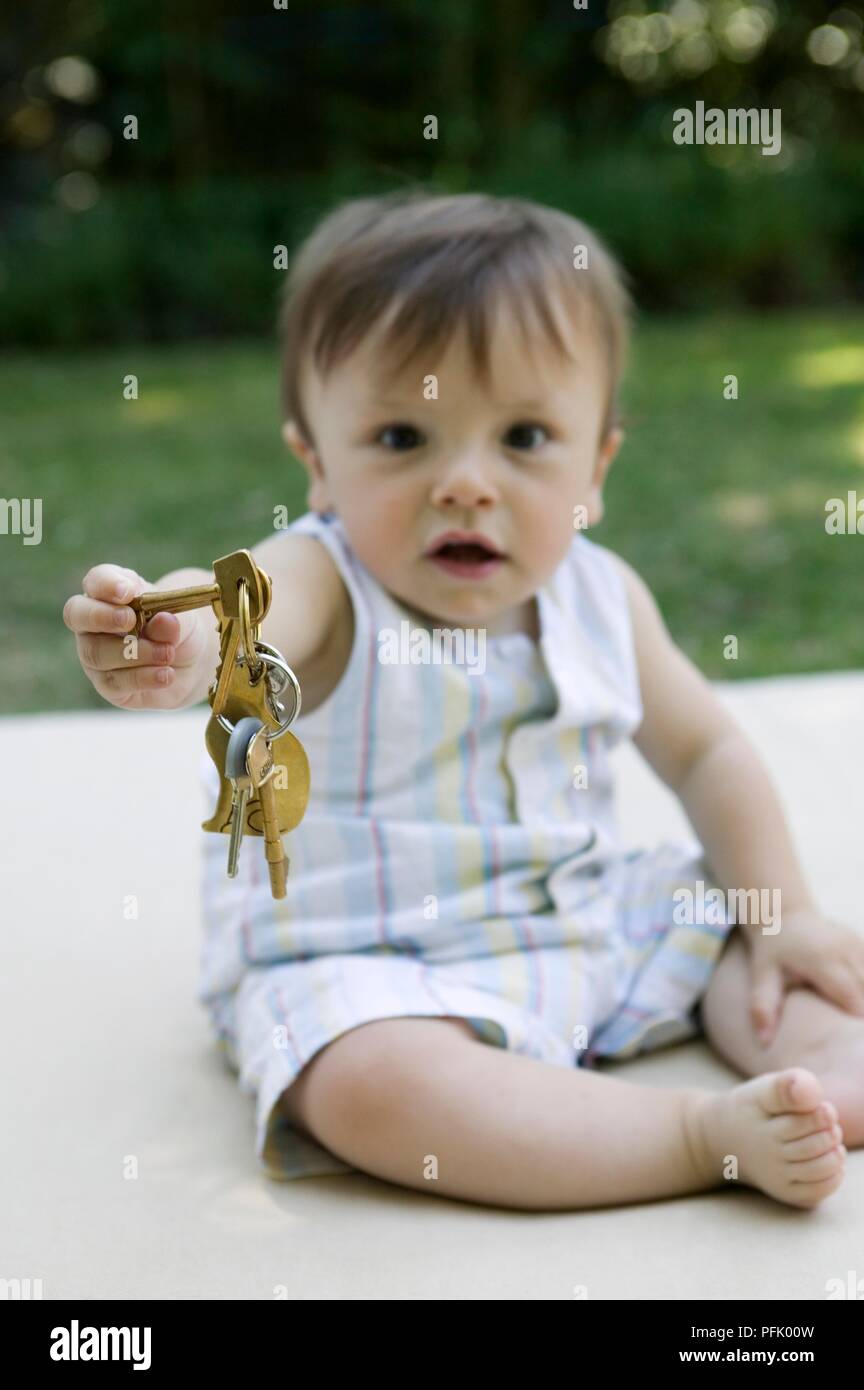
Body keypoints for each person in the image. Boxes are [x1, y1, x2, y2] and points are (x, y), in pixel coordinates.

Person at [63, 190, 864, 1210]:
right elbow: (252, 612)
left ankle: (826, 1066)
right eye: (403, 438)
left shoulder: (603, 598)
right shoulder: (329, 585)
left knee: (742, 931)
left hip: (578, 920)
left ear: (596, 467)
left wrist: (785, 911)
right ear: (316, 464)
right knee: (366, 1084)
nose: (466, 483)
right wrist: (185, 643)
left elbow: (707, 752)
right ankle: (694, 1135)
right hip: (373, 964)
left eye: (525, 436)